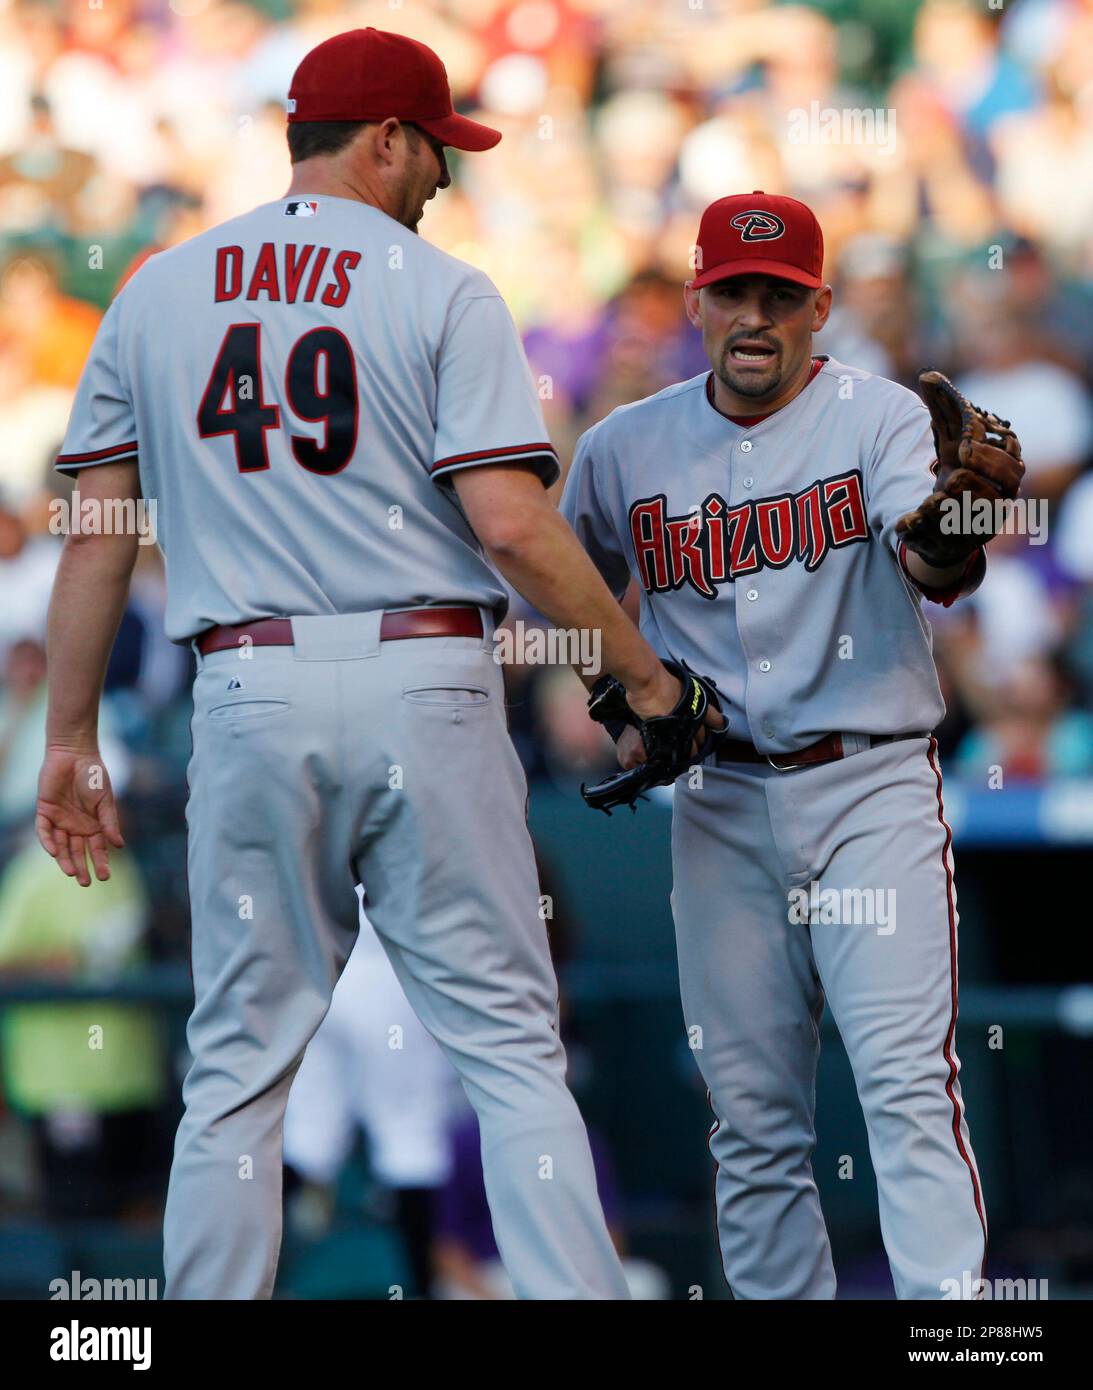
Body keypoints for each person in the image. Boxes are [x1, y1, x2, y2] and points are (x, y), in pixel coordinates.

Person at [35, 27, 688, 1301]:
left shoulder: (157, 290)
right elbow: (509, 522)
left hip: (244, 680)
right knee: (508, 1050)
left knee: (235, 1068)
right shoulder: (442, 289)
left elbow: (99, 539)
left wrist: (71, 737)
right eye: (435, 145)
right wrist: (644, 675)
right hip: (423, 675)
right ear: (385, 137)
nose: (443, 174)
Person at [561, 191, 1022, 1299]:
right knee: (752, 1121)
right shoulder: (624, 446)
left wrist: (960, 530)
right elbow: (547, 579)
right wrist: (612, 683)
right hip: (717, 800)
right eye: (732, 292)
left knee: (909, 1090)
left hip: (869, 788)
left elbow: (929, 567)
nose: (753, 315)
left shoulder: (879, 418)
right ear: (697, 300)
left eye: (779, 294)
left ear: (818, 305)